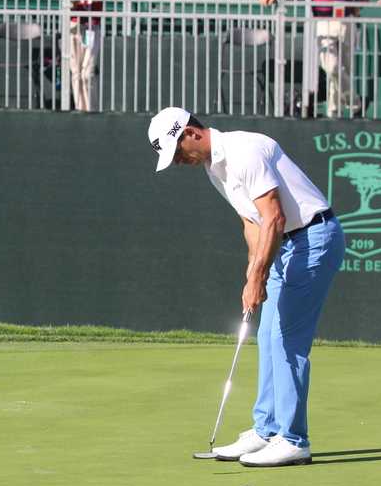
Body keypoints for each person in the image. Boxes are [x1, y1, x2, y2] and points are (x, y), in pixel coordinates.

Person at [146, 107, 345, 467]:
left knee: (286, 339)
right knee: (268, 336)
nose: (178, 162)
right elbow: (252, 224)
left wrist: (258, 277)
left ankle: (294, 439)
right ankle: (266, 430)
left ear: (190, 132)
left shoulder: (244, 151)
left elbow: (275, 216)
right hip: (284, 244)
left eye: (177, 153)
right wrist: (254, 272)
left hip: (314, 238)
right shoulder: (214, 170)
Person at [260, 0, 372, 118]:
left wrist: (361, 5)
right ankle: (355, 102)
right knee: (332, 66)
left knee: (345, 69)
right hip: (324, 20)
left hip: (346, 21)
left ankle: (333, 111)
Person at [65, 0, 109, 112]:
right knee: (75, 71)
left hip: (92, 28)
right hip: (75, 28)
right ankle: (79, 107)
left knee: (87, 71)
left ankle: (92, 109)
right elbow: (70, 4)